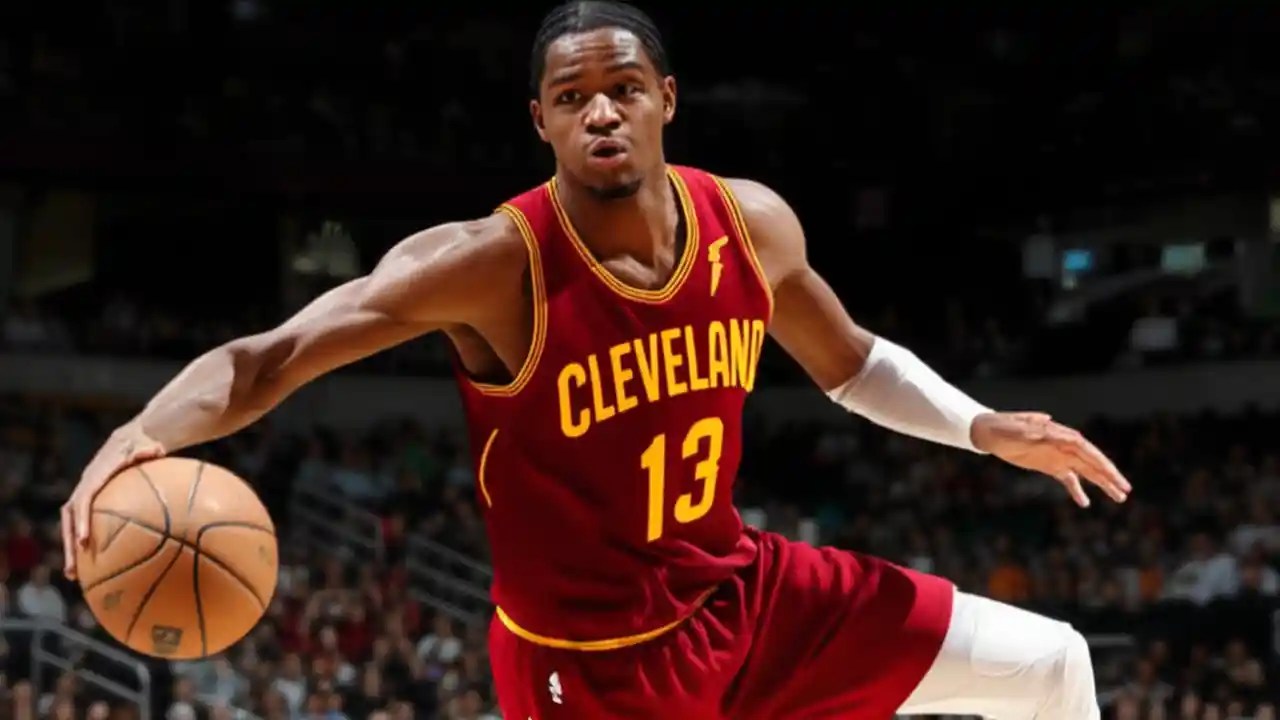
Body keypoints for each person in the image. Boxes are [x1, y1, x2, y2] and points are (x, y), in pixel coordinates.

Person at [62, 2, 1131, 718]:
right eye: (572, 100)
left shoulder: (747, 223)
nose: (600, 112)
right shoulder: (493, 265)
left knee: (1050, 663)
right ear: (542, 121)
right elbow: (269, 360)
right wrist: (141, 430)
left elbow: (847, 363)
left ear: (666, 96)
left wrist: (980, 428)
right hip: (591, 664)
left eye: (621, 88)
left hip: (745, 594)